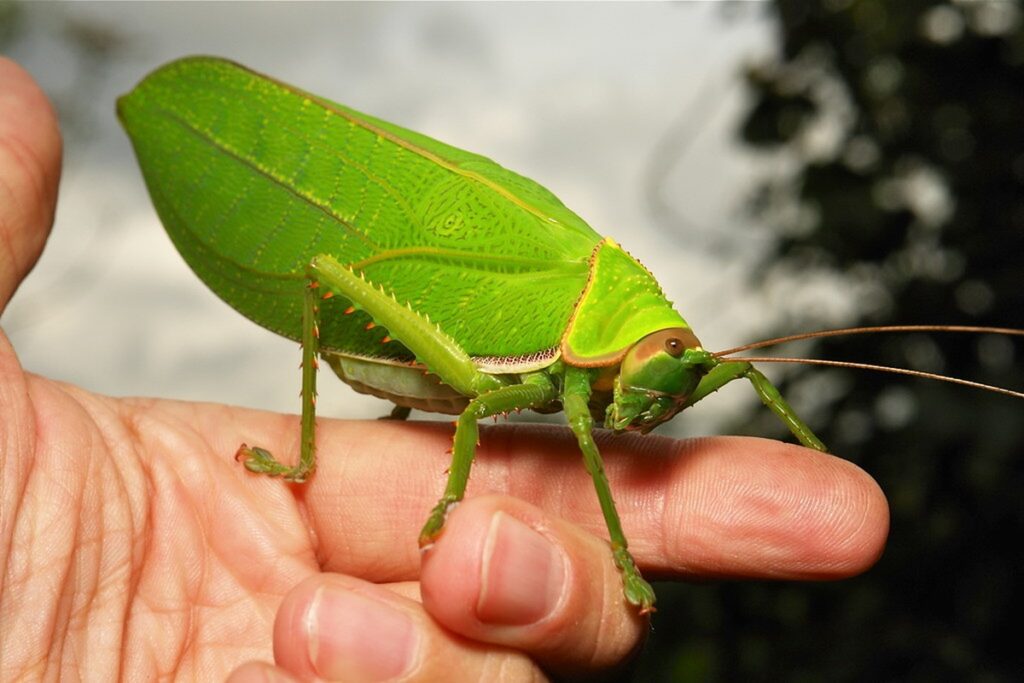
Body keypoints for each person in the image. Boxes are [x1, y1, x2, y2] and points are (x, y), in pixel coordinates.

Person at [0, 56, 889, 682]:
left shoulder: (640, 337)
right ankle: (302, 460)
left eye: (676, 366)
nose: (669, 390)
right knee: (327, 272)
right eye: (667, 360)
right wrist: (622, 561)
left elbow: (750, 375)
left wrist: (811, 455)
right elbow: (484, 410)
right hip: (430, 335)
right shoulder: (579, 337)